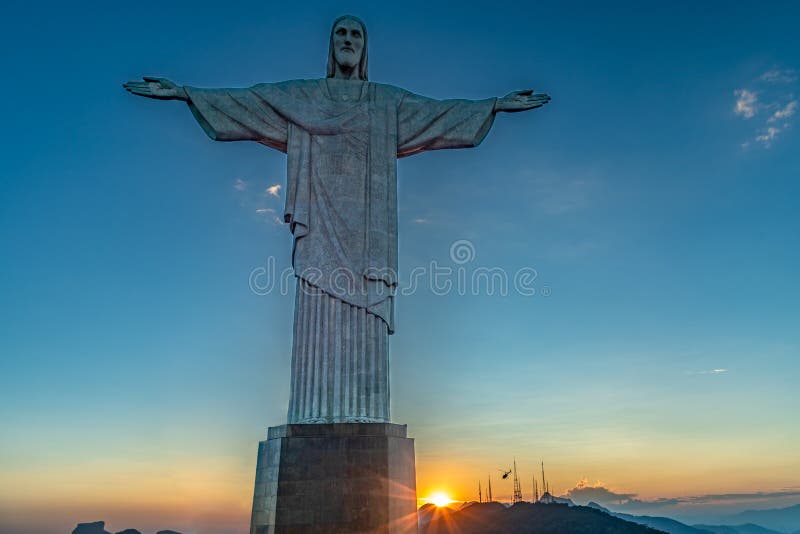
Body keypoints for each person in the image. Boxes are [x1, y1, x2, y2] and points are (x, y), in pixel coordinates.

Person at [123, 15, 551, 424]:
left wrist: (493, 106)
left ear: (364, 49)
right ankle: (311, 415)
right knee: (316, 314)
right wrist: (184, 93)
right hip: (320, 234)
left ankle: (364, 416)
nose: (348, 40)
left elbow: (438, 114)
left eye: (356, 35)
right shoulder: (303, 98)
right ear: (331, 45)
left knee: (365, 326)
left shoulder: (386, 103)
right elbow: (248, 101)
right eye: (340, 33)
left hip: (369, 238)